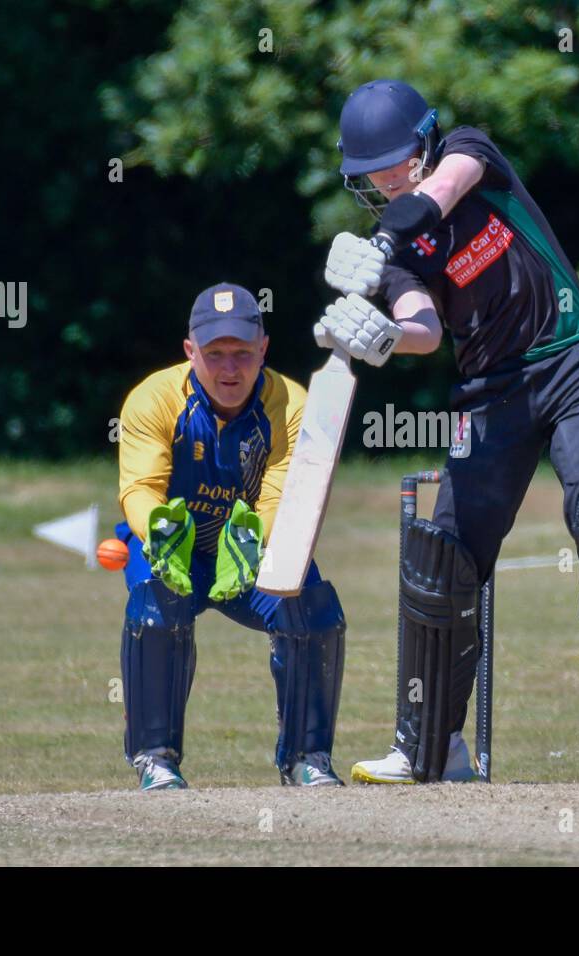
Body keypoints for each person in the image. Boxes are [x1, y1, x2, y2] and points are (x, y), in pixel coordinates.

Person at [314, 80, 579, 784]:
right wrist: (381, 335)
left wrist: (383, 240)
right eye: (371, 173)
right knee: (441, 563)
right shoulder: (404, 258)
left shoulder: (471, 151)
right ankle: (430, 748)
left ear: (425, 138)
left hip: (578, 363)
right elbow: (424, 325)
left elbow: (441, 191)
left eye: (394, 161)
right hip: (490, 398)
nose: (386, 179)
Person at [115, 282, 346, 790]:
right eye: (215, 354)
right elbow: (139, 489)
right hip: (177, 546)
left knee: (312, 610)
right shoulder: (153, 399)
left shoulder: (293, 403)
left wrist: (253, 538)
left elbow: (284, 495)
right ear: (189, 351)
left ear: (263, 349)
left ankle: (306, 758)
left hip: (249, 548)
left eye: (243, 353)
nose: (229, 369)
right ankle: (156, 759)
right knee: (156, 612)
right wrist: (159, 531)